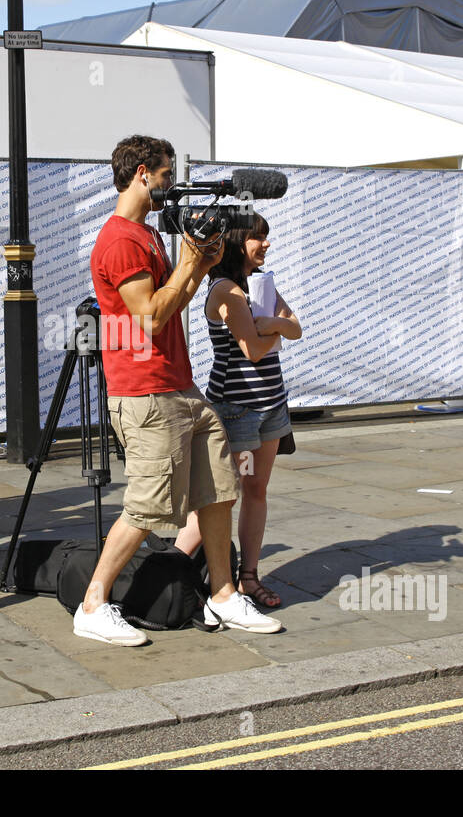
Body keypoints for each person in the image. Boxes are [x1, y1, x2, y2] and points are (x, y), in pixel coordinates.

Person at [76, 135, 281, 647]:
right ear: (143, 173)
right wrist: (190, 264)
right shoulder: (121, 239)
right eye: (168, 173)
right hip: (145, 393)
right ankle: (93, 604)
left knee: (217, 492)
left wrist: (201, 265)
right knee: (147, 506)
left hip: (179, 387)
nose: (172, 184)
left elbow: (174, 302)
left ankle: (224, 594)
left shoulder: (145, 235)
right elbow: (148, 318)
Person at [173, 213, 301, 608]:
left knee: (256, 491)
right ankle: (170, 573)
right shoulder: (225, 288)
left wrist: (270, 325)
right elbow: (253, 349)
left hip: (271, 407)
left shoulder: (261, 283)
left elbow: (296, 328)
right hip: (237, 411)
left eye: (266, 237)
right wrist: (272, 328)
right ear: (236, 242)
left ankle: (248, 577)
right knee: (220, 499)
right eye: (257, 238)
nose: (265, 244)